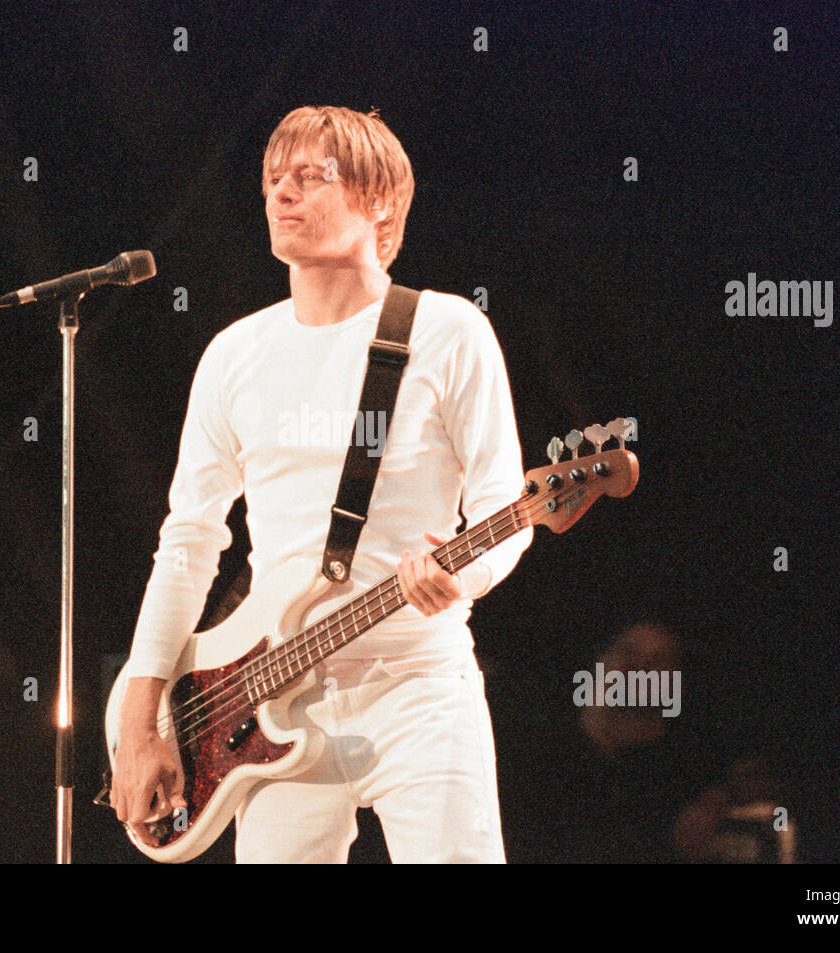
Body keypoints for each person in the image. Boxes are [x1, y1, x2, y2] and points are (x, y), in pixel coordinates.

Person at [112, 105, 532, 863]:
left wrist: (460, 574)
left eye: (310, 178)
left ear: (380, 202)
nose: (282, 194)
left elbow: (511, 506)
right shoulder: (234, 354)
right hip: (267, 703)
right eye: (274, 179)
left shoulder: (448, 330)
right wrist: (141, 725)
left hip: (418, 684)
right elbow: (188, 544)